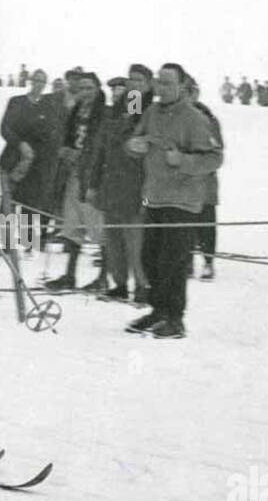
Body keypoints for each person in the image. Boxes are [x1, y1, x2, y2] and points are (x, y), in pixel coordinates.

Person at [124, 63, 223, 339]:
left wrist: (183, 161)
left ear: (182, 86)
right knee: (151, 258)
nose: (163, 88)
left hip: (183, 201)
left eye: (169, 83)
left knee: (173, 261)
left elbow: (215, 157)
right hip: (154, 197)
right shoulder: (151, 112)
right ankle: (157, 312)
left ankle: (175, 319)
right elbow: (134, 138)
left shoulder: (194, 117)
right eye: (160, 82)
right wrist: (134, 146)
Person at [88, 66, 149, 304]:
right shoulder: (116, 109)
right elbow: (100, 152)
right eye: (131, 79)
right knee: (113, 240)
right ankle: (121, 284)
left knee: (135, 242)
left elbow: (131, 125)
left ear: (148, 83)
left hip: (135, 187)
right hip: (112, 185)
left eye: (139, 80)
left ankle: (142, 286)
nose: (134, 84)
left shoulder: (142, 106)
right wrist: (93, 184)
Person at [46, 71, 106, 291]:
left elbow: (103, 147)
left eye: (89, 88)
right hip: (73, 174)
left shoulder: (104, 115)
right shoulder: (74, 113)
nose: (85, 93)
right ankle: (69, 274)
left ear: (98, 90)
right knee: (72, 224)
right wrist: (65, 150)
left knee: (96, 224)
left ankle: (104, 277)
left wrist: (83, 156)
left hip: (92, 176)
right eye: (81, 88)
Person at [0, 69, 61, 250]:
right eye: (36, 80)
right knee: (7, 201)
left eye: (42, 81)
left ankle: (27, 242)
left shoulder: (48, 107)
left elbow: (50, 133)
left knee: (28, 202)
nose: (38, 84)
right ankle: (7, 243)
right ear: (31, 81)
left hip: (35, 162)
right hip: (11, 159)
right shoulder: (16, 102)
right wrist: (20, 144)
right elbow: (5, 128)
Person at [185, 75, 224, 281]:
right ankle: (187, 260)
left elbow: (216, 150)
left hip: (203, 181)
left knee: (206, 222)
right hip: (180, 182)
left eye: (189, 92)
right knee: (185, 223)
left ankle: (208, 262)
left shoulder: (207, 118)